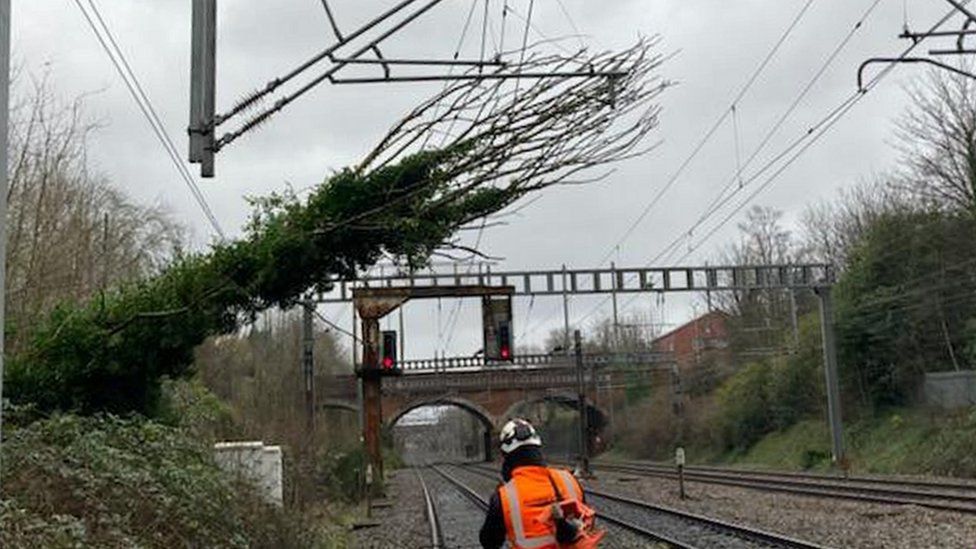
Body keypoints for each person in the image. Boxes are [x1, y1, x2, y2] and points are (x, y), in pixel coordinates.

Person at [479, 418, 603, 549]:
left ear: (506, 456)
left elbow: (489, 542)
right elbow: (586, 523)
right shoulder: (569, 480)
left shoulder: (504, 497)